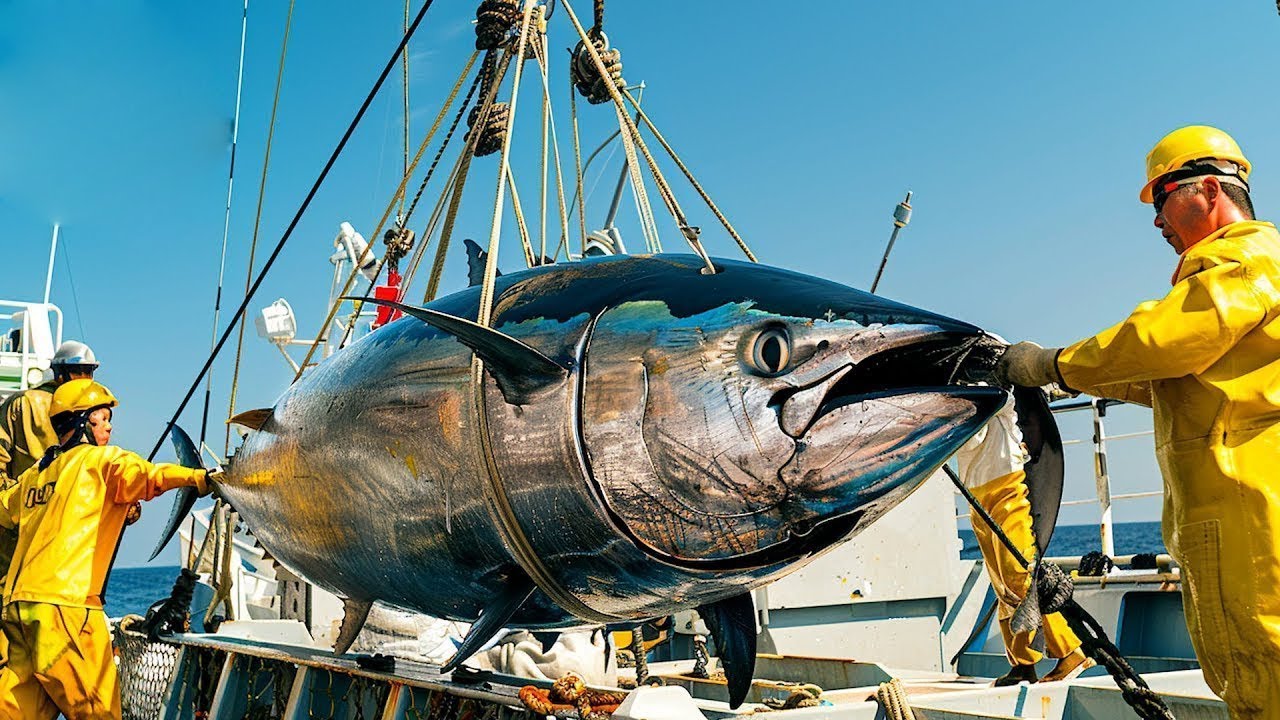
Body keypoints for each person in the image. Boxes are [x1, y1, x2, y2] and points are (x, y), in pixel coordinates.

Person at [998, 125, 1280, 715]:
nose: (1155, 221)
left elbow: (1162, 340)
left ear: (1207, 189)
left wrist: (1053, 362)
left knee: (1264, 677)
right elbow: (1173, 379)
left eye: (1161, 196)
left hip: (1246, 512)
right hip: (1240, 508)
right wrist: (1061, 374)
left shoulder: (1241, 261)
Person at [0, 379, 215, 719]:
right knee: (98, 712)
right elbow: (149, 476)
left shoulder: (36, 475)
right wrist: (199, 478)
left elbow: (5, 509)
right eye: (103, 418)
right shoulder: (101, 461)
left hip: (18, 609)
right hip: (65, 607)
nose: (110, 426)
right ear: (83, 421)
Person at [956, 397, 1094, 685]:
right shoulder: (957, 392)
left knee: (1020, 574)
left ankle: (1071, 652)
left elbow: (986, 417)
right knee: (1002, 585)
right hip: (974, 493)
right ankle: (1022, 663)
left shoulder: (994, 392)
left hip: (1006, 486)